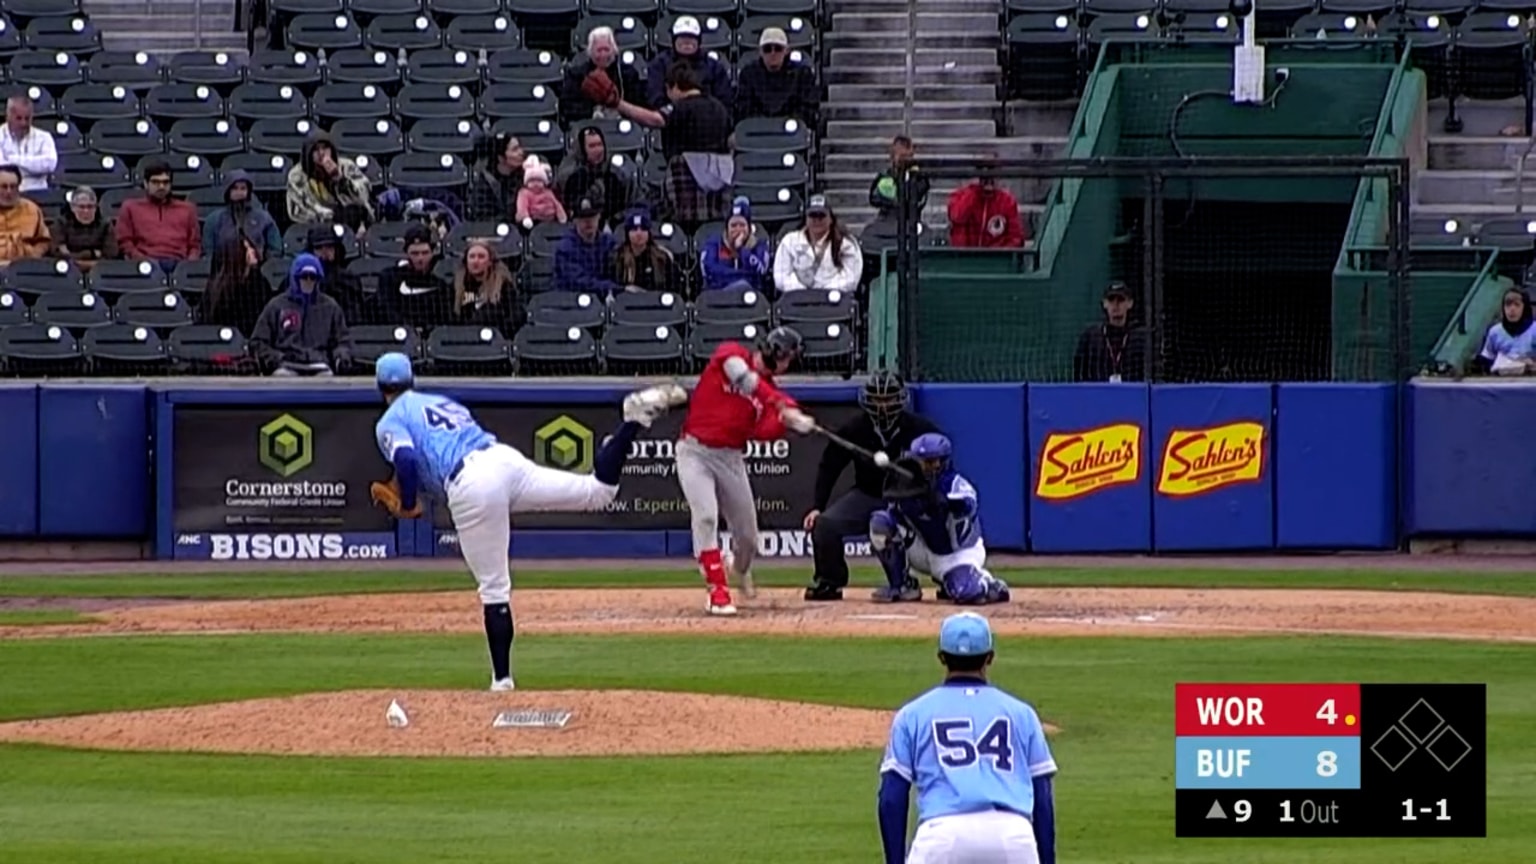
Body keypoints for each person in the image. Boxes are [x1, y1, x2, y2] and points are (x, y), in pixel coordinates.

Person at [369, 352, 688, 689]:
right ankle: (632, 423)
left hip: (471, 483)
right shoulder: (439, 402)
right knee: (596, 492)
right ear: (411, 380)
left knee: (494, 588)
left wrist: (405, 503)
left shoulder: (389, 420)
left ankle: (502, 682)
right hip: (504, 460)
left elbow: (405, 459)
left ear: (379, 387)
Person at [879, 612, 1058, 864]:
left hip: (942, 836)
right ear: (990, 658)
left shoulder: (913, 714)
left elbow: (891, 797)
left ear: (941, 658)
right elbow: (1042, 797)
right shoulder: (1022, 714)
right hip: (1012, 836)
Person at [676, 326, 812, 615]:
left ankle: (739, 569)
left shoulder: (771, 394)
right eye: (787, 358)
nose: (789, 365)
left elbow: (762, 431)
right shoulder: (732, 354)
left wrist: (789, 418)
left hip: (730, 458)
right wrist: (776, 401)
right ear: (776, 352)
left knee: (748, 536)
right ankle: (717, 591)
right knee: (706, 516)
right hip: (694, 451)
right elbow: (743, 377)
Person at [802, 371, 942, 601]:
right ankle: (829, 581)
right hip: (869, 494)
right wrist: (817, 505)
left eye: (888, 399)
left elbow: (940, 465)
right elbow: (830, 465)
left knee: (941, 525)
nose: (883, 406)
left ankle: (947, 577)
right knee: (825, 525)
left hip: (910, 498)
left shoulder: (920, 429)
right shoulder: (854, 429)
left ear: (900, 399)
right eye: (877, 399)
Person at [869, 433, 1010, 604]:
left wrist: (944, 502)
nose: (926, 467)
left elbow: (968, 503)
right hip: (924, 549)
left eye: (932, 462)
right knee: (880, 522)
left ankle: (989, 584)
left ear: (943, 462)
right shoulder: (906, 484)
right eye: (922, 461)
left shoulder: (954, 484)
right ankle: (902, 585)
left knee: (967, 593)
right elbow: (894, 516)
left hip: (957, 554)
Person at [613, 64, 735, 228]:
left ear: (673, 87)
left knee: (684, 226)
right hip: (720, 177)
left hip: (686, 174)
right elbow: (732, 140)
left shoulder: (680, 106)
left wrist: (618, 104)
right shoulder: (719, 107)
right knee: (714, 228)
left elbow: (655, 119)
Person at [249, 253, 354, 377]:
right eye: (304, 277)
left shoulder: (331, 307)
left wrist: (340, 357)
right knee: (283, 377)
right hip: (285, 365)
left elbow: (343, 341)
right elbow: (258, 342)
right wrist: (276, 358)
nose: (308, 281)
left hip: (320, 365)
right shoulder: (276, 306)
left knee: (326, 378)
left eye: (313, 277)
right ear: (295, 277)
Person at [114, 159, 200, 271]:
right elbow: (125, 242)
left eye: (165, 182)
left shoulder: (187, 209)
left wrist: (188, 265)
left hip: (180, 263)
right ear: (146, 183)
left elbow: (195, 245)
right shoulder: (130, 207)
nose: (161, 187)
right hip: (144, 264)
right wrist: (141, 260)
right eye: (155, 182)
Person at [287, 131, 374, 231]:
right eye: (316, 149)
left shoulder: (346, 166)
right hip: (317, 224)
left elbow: (363, 196)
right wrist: (331, 217)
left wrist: (341, 180)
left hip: (350, 219)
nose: (321, 153)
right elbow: (297, 211)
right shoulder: (297, 175)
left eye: (325, 148)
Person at [774, 195, 862, 293]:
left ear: (831, 219)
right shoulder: (789, 241)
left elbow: (851, 278)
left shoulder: (846, 244)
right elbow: (781, 276)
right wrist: (801, 292)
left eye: (821, 215)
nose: (817, 220)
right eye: (813, 215)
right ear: (806, 219)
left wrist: (824, 293)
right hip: (797, 298)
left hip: (834, 299)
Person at [733, 27, 820, 128]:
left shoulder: (803, 74)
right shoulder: (748, 74)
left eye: (778, 48)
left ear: (786, 51)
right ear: (760, 52)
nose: (773, 53)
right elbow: (744, 106)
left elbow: (808, 107)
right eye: (767, 49)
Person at [645, 16, 734, 111]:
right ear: (674, 40)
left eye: (691, 37)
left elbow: (724, 100)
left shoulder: (714, 67)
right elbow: (655, 96)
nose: (687, 42)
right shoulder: (659, 64)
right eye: (682, 37)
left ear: (698, 41)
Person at [562, 26, 642, 127]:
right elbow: (567, 106)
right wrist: (591, 111)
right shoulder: (577, 75)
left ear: (614, 50)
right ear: (590, 52)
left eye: (606, 50)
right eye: (599, 50)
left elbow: (638, 103)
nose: (603, 55)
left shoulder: (628, 73)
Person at [556, 125, 632, 227]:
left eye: (600, 145)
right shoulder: (571, 176)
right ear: (582, 149)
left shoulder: (617, 175)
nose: (598, 150)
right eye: (592, 146)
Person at [1073, 281, 1146, 383]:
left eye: (1121, 300)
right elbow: (1079, 372)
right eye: (1111, 300)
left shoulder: (1141, 338)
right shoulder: (1090, 337)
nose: (1116, 305)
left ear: (1130, 303)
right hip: (1098, 394)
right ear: (1104, 304)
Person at [202, 169, 282, 261]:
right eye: (235, 188)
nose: (239, 192)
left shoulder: (263, 218)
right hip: (223, 271)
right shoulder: (214, 220)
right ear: (228, 191)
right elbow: (208, 252)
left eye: (243, 188)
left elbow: (275, 250)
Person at [198, 234, 268, 336]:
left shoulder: (259, 284)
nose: (252, 251)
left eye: (251, 247)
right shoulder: (220, 291)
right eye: (246, 248)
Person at [700, 196, 773, 292]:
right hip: (718, 297)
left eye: (742, 225)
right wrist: (743, 276)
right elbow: (710, 272)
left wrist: (742, 250)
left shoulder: (760, 245)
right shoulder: (713, 244)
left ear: (749, 228)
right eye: (733, 225)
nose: (738, 230)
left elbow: (760, 272)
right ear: (727, 228)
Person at [553, 197, 620, 296]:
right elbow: (579, 282)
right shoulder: (565, 248)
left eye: (592, 216)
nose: (588, 222)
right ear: (575, 220)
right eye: (583, 218)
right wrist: (615, 288)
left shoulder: (610, 243)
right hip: (572, 302)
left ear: (599, 216)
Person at [452, 239, 524, 330]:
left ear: (490, 262)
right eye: (472, 257)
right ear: (466, 261)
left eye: (481, 257)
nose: (475, 261)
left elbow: (516, 316)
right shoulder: (454, 287)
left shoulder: (504, 287)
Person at [948, 170, 1026, 249]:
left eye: (992, 171)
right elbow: (957, 216)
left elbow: (1016, 238)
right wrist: (974, 192)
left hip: (996, 257)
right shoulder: (961, 196)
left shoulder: (1007, 201)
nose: (988, 178)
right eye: (984, 172)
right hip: (965, 256)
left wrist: (1001, 253)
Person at [1470, 287, 1536, 375]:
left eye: (1517, 305)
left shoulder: (1534, 329)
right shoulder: (1495, 332)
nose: (1512, 309)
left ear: (1525, 307)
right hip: (1500, 382)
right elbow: (1487, 359)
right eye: (1508, 305)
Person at [867, 136, 929, 228]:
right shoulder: (885, 177)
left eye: (909, 157)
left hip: (911, 225)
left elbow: (917, 199)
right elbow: (874, 199)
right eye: (902, 157)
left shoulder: (919, 177)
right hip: (886, 224)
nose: (906, 161)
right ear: (892, 157)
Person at [0, 96, 56, 193]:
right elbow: (2, 169)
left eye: (27, 118)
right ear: (8, 117)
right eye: (18, 118)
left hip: (38, 192)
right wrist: (34, 169)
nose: (23, 123)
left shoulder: (44, 137)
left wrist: (13, 159)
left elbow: (49, 164)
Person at [52, 186, 117, 270]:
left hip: (100, 270)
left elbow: (111, 254)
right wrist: (91, 254)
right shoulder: (61, 223)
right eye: (81, 207)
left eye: (90, 207)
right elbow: (59, 252)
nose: (86, 211)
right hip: (69, 269)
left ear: (96, 208)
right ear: (72, 207)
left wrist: (79, 259)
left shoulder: (105, 224)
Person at [613, 207, 675, 294]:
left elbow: (673, 288)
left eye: (643, 229)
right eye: (634, 229)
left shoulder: (662, 257)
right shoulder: (617, 257)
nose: (639, 233)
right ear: (627, 233)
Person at [466, 133, 526, 223]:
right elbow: (483, 218)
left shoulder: (527, 175)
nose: (521, 152)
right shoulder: (484, 183)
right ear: (501, 158)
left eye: (520, 148)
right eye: (515, 149)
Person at [0, 164, 50, 265]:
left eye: (13, 187)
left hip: (23, 268)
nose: (9, 192)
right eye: (4, 187)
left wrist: (33, 257)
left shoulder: (31, 209)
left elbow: (43, 241)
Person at [515, 156, 567, 225]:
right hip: (534, 221)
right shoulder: (524, 193)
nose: (536, 184)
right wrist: (526, 218)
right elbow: (522, 207)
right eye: (532, 181)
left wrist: (561, 217)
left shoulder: (548, 192)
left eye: (539, 181)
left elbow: (557, 205)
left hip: (551, 220)